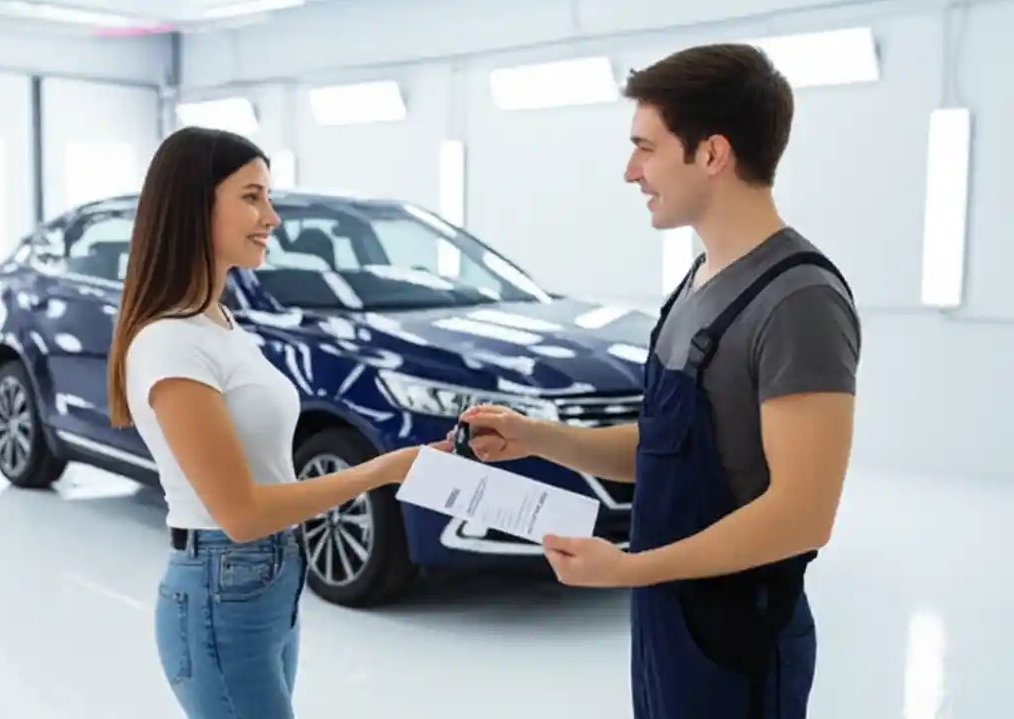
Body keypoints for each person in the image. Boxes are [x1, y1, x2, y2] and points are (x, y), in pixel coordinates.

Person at [460, 43, 860, 719]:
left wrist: (627, 567)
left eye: (645, 148)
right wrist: (538, 438)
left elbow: (802, 515)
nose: (630, 171)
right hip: (672, 613)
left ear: (711, 154)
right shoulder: (702, 280)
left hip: (739, 636)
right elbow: (665, 444)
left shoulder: (799, 303)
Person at [104, 126, 442, 719]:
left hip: (264, 579)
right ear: (195, 206)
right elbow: (241, 513)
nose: (272, 217)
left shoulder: (219, 324)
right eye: (252, 196)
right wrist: (383, 470)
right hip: (224, 582)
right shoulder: (171, 345)